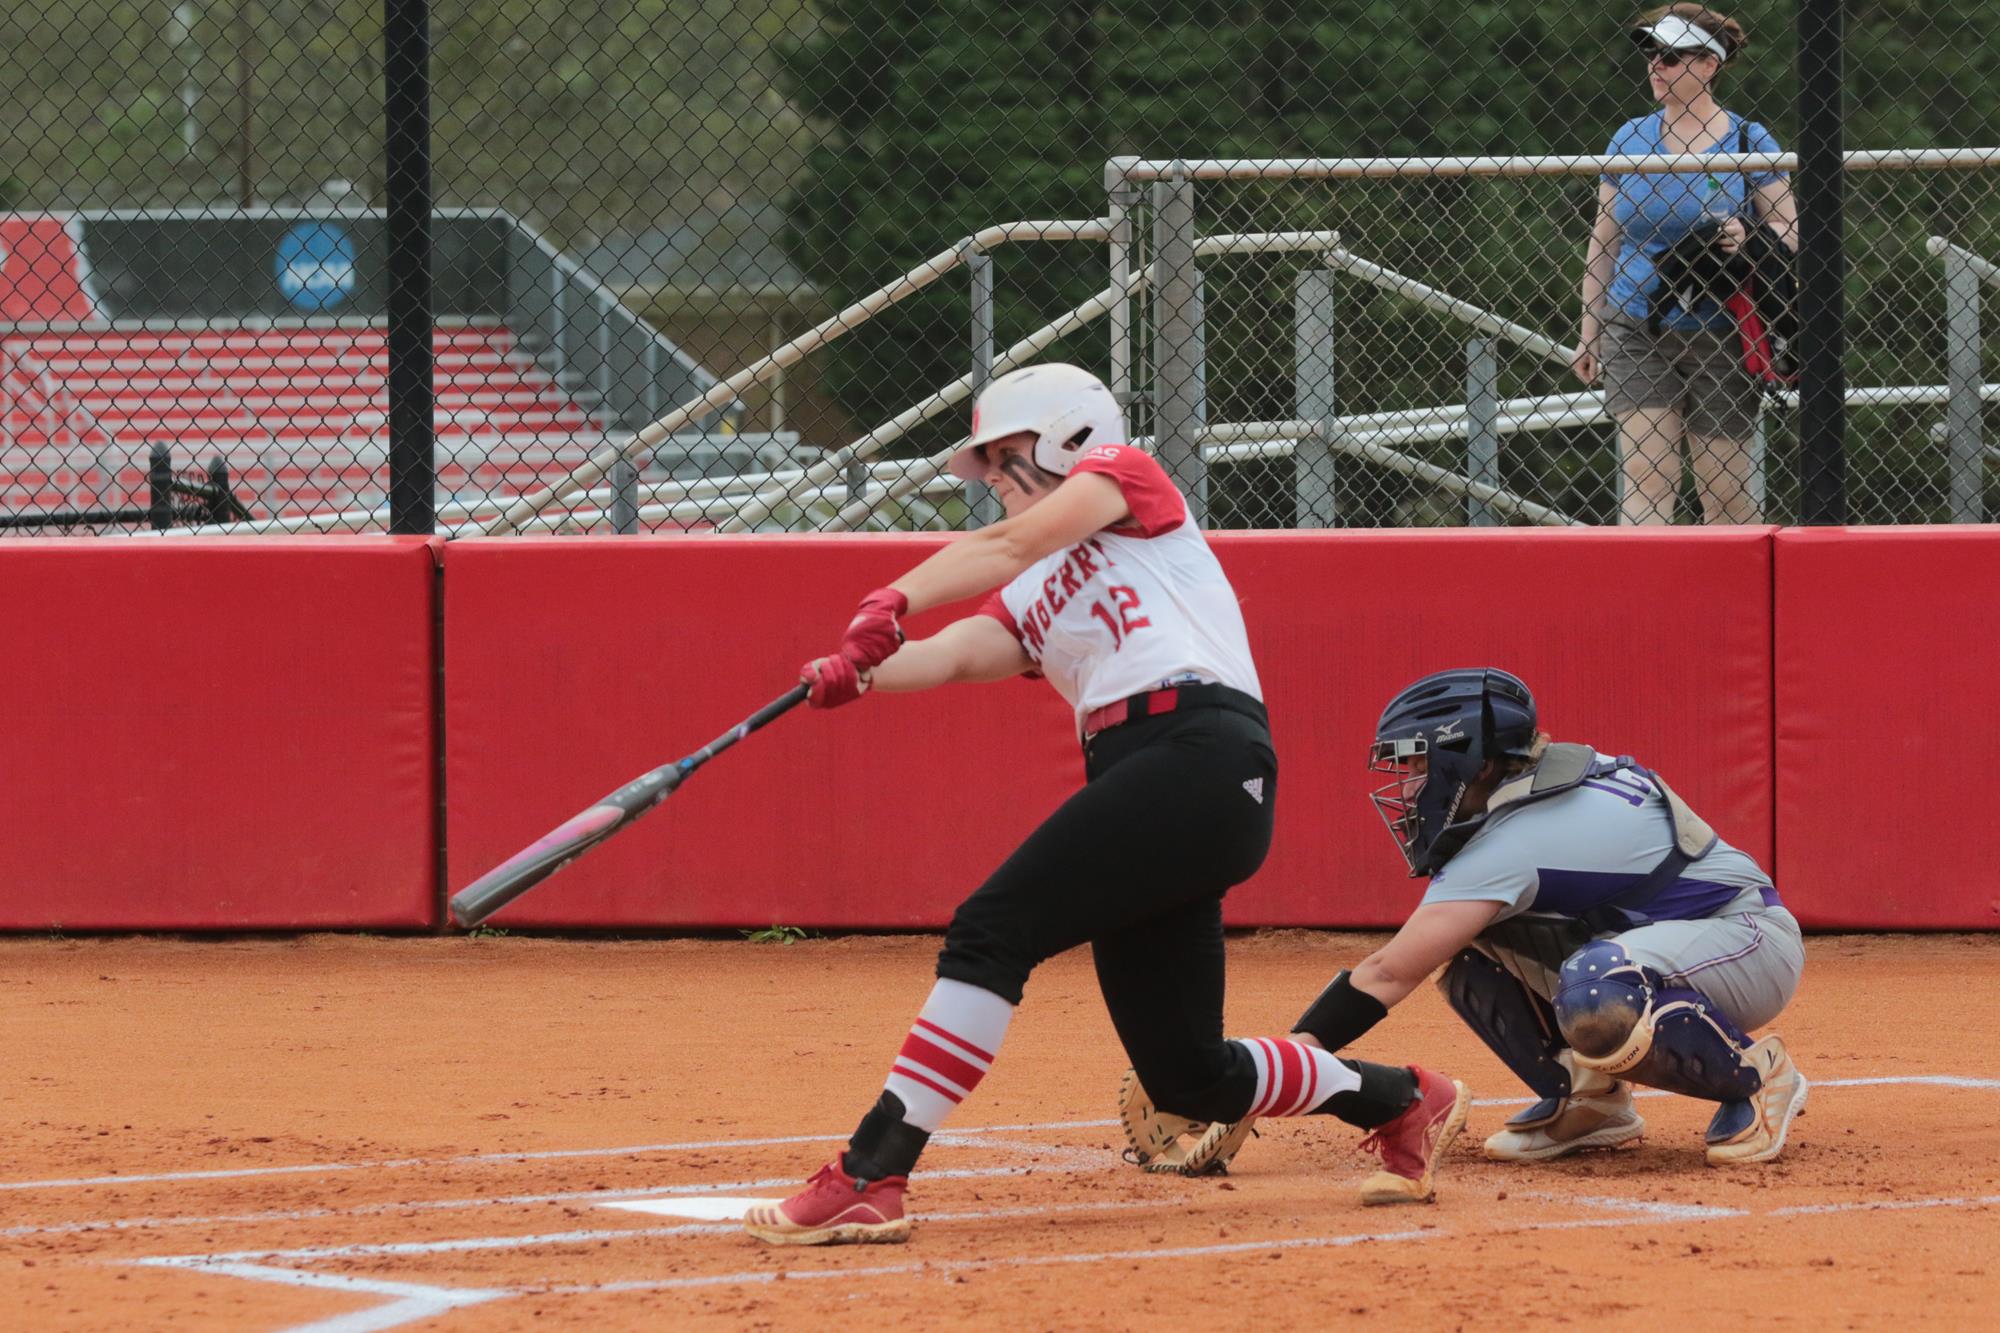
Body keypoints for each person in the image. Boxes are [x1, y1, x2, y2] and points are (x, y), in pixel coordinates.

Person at [743, 364, 1466, 1247]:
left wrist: (891, 596)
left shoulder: (1127, 475)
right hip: (1151, 779)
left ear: (1067, 436)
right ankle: (1404, 1099)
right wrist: (861, 671)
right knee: (1188, 1077)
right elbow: (962, 651)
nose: (996, 483)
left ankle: (872, 1168)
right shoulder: (1037, 581)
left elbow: (999, 550)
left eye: (1006, 459)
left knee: (991, 929)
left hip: (1199, 750)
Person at [1184, 667, 1807, 1169]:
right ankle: (1590, 1101)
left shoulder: (1518, 839)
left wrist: (1271, 1071)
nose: (1403, 786)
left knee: (1597, 985)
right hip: (1669, 941)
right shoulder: (1532, 796)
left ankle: (1755, 1078)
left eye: (1417, 764)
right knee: (1478, 949)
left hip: (1746, 940)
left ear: (1473, 763)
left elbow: (1387, 973)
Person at [1574, 6, 1800, 524]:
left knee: (1723, 493)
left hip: (1722, 326)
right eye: (1652, 55)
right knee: (1647, 483)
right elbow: (1603, 242)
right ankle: (1647, 601)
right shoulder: (1629, 139)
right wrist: (1590, 331)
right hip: (1635, 323)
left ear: (1708, 65)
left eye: (1672, 57)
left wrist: (1750, 236)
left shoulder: (1747, 140)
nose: (1656, 66)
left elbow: (1790, 229)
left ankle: (1731, 600)